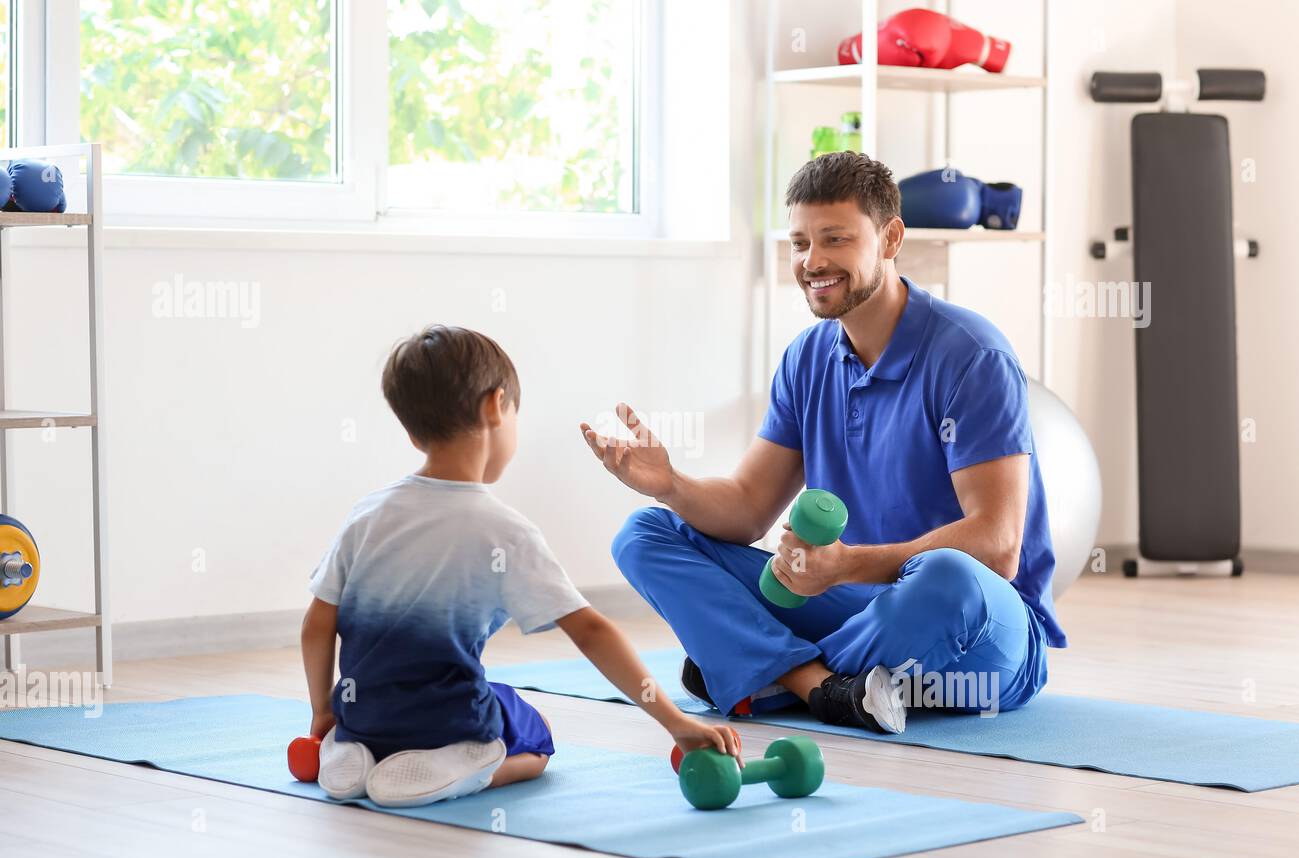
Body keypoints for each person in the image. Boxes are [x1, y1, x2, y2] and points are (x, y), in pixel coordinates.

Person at [581, 151, 1066, 735]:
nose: (813, 262)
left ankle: (767, 675)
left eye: (835, 239)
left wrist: (840, 568)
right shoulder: (807, 358)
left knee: (946, 576)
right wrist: (672, 486)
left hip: (979, 632)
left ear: (890, 239)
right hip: (861, 607)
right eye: (799, 243)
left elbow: (996, 545)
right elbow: (746, 507)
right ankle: (826, 689)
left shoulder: (970, 357)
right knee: (645, 532)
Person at [301, 325, 737, 808]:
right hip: (444, 722)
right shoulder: (502, 532)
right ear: (495, 406)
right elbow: (591, 632)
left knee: (427, 701)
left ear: (410, 430)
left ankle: (349, 753)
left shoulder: (366, 515)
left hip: (359, 713)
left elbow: (317, 625)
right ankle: (457, 767)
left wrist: (323, 711)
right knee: (539, 735)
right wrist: (677, 721)